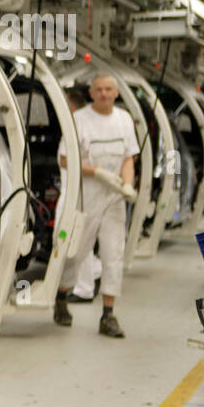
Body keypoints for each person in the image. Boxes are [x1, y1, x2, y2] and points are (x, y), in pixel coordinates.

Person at [55, 73, 139, 337]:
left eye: (108, 89)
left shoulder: (124, 120)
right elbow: (65, 160)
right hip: (86, 197)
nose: (104, 94)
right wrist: (98, 173)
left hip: (113, 199)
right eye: (99, 89)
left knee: (113, 255)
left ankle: (108, 315)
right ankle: (61, 296)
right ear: (91, 93)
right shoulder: (79, 120)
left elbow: (129, 158)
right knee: (76, 253)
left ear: (116, 93)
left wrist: (127, 185)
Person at [61, 85, 100, 303]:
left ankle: (84, 288)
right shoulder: (79, 126)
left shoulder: (76, 126)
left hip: (75, 195)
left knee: (77, 242)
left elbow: (65, 160)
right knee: (79, 242)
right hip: (74, 193)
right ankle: (90, 276)